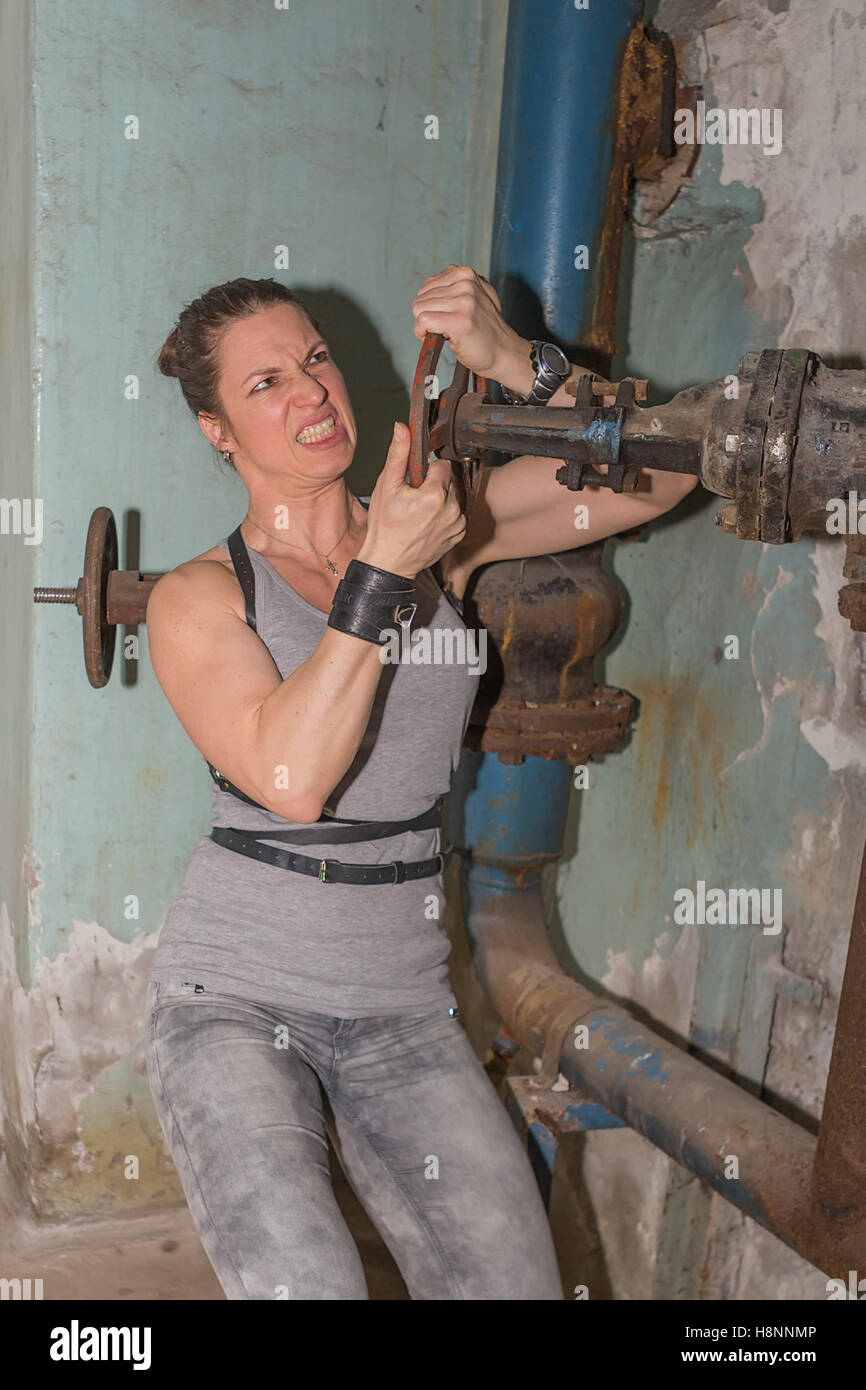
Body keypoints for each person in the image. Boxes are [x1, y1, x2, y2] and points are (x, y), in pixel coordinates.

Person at [143, 264, 697, 1300]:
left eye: (314, 359)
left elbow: (666, 469)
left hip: (399, 999)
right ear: (217, 429)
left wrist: (521, 365)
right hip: (235, 992)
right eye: (265, 384)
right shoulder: (200, 596)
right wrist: (381, 573)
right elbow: (291, 780)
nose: (311, 391)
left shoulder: (441, 534)